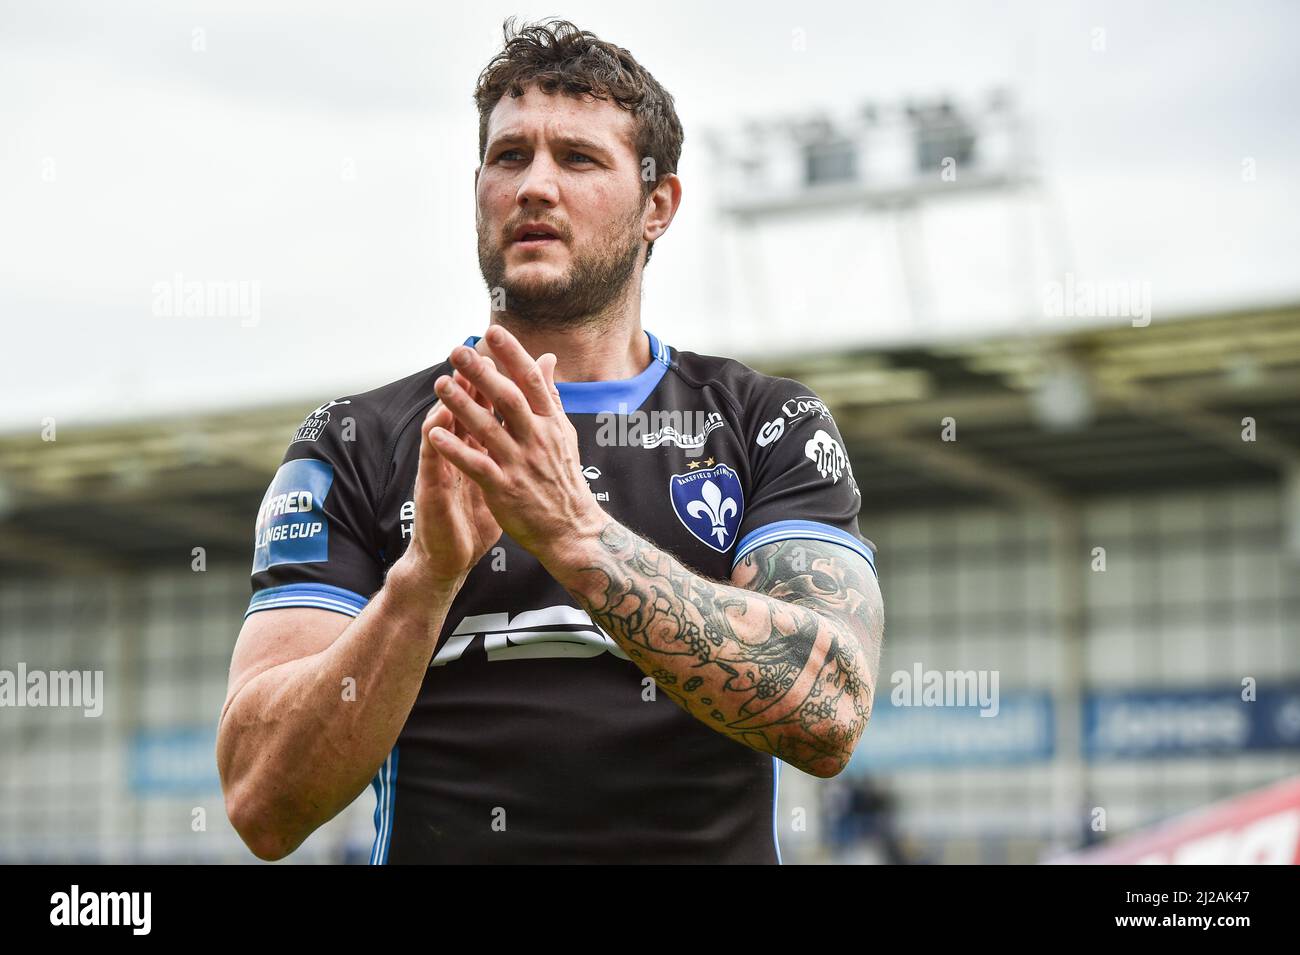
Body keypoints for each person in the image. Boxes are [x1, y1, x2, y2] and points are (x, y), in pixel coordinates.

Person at [218, 17, 884, 864]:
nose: (535, 185)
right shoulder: (357, 441)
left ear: (658, 205)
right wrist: (424, 581)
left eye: (577, 158)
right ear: (478, 189)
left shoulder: (765, 425)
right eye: (509, 157)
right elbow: (259, 804)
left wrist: (578, 535)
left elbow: (829, 711)